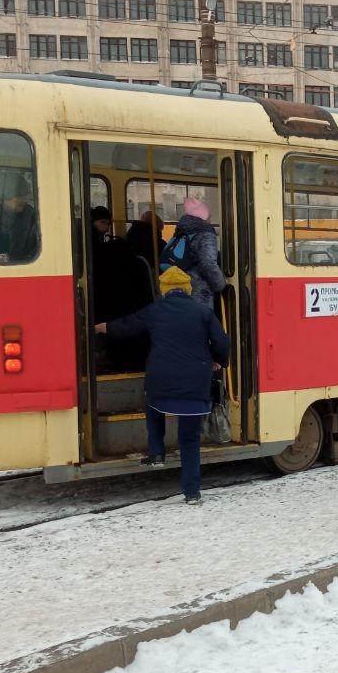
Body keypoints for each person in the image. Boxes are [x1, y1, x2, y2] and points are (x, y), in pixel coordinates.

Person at [95, 266, 230, 504]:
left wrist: (99, 327)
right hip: (194, 386)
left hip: (161, 382)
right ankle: (192, 493)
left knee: (152, 406)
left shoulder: (155, 310)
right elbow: (221, 342)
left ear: (164, 289)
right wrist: (219, 360)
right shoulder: (202, 312)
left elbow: (126, 326)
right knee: (189, 440)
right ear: (188, 289)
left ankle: (157, 452)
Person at [165, 197, 225, 310]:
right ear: (204, 217)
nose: (210, 219)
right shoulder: (205, 235)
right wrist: (221, 284)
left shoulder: (181, 233)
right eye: (209, 216)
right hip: (199, 294)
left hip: (180, 291)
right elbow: (208, 264)